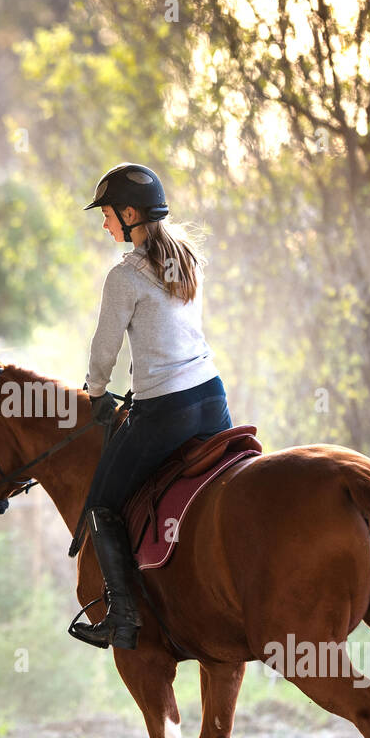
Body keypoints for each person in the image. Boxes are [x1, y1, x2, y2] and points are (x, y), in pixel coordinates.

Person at [69, 162, 233, 650]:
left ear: (129, 213)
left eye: (107, 215)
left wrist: (95, 393)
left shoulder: (124, 276)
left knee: (100, 503)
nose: (104, 225)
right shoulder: (186, 259)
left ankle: (122, 617)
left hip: (166, 410)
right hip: (213, 399)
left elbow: (105, 349)